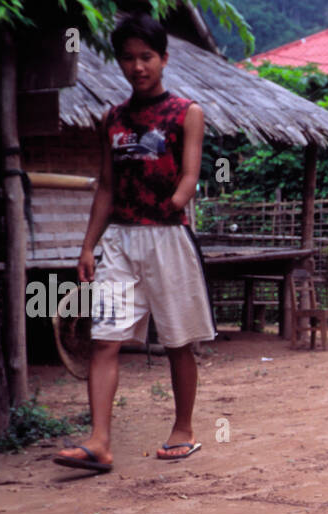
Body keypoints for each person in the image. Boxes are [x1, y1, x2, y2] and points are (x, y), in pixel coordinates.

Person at [55, 12, 213, 473]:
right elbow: (105, 186)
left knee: (179, 340)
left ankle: (183, 429)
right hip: (120, 242)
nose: (138, 66)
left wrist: (173, 203)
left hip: (168, 237)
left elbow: (190, 175)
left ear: (164, 58)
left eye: (146, 57)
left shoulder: (187, 113)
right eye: (128, 58)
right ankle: (99, 441)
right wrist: (88, 246)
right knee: (104, 337)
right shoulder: (112, 119)